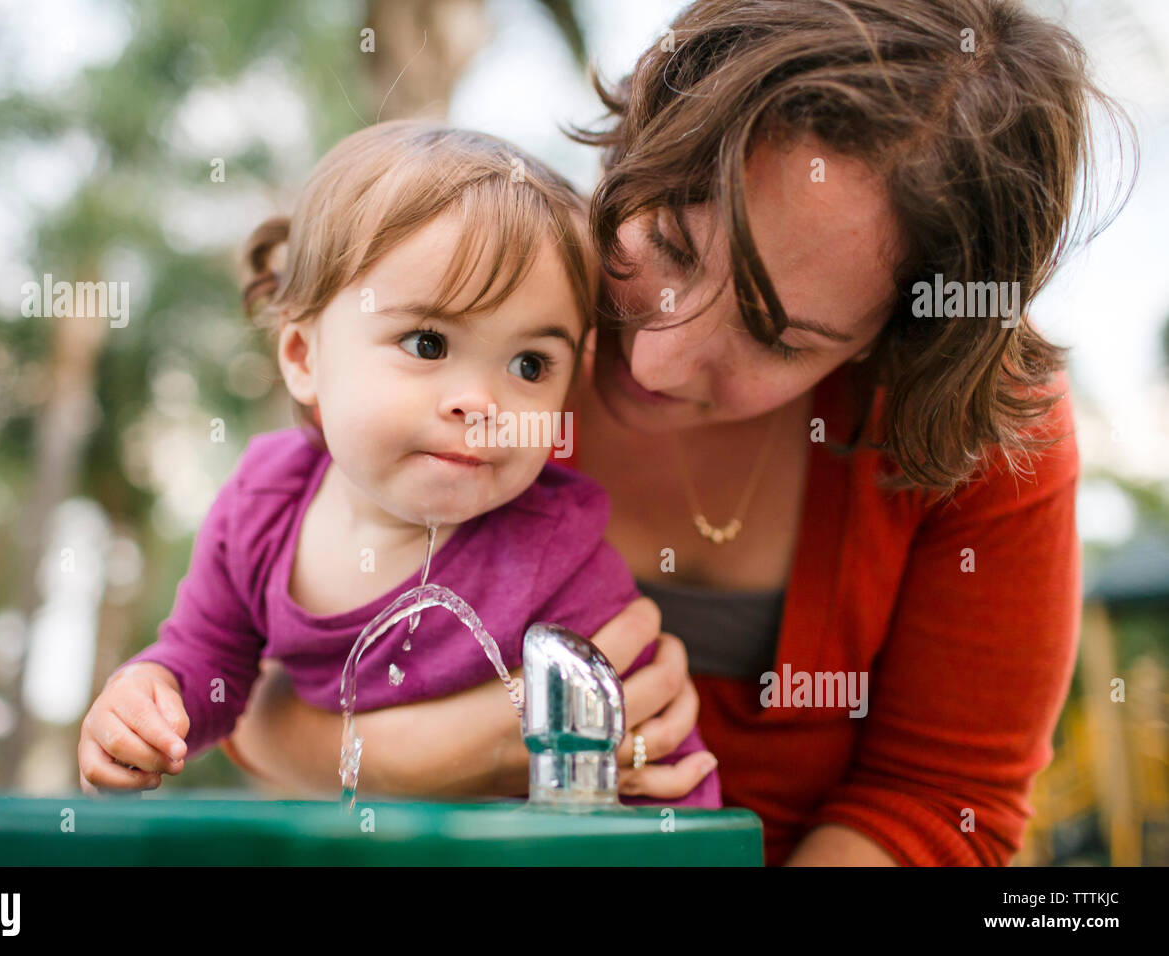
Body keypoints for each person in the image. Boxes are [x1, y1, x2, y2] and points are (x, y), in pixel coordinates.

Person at [223, 0, 1135, 865]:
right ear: (646, 136)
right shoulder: (474, 305)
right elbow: (249, 691)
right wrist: (439, 754)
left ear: (898, 342)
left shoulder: (980, 441)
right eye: (667, 241)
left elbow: (940, 804)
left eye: (776, 336)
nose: (652, 359)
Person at [76, 120, 724, 807]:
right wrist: (147, 698)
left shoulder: (554, 553)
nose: (479, 402)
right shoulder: (262, 505)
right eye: (426, 343)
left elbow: (662, 756)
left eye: (530, 364)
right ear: (302, 357)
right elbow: (206, 663)